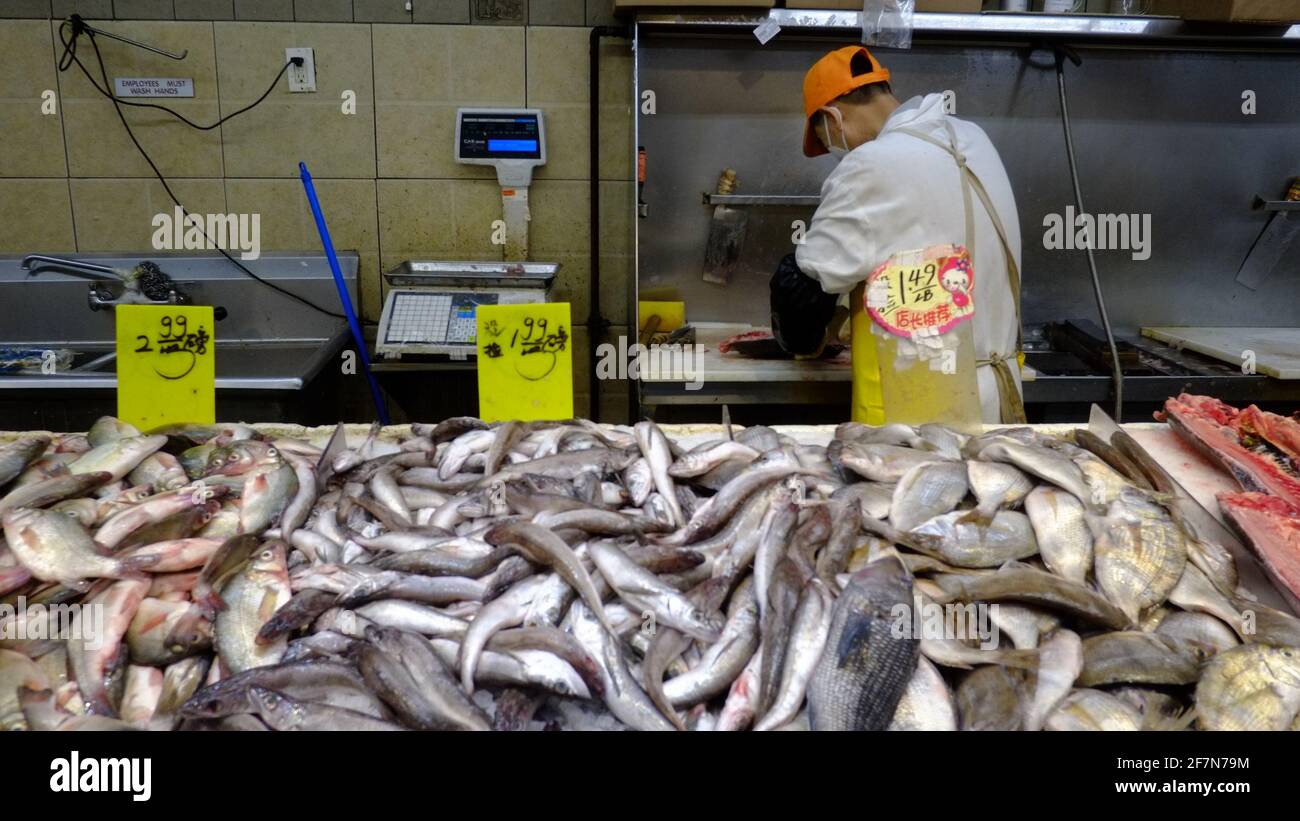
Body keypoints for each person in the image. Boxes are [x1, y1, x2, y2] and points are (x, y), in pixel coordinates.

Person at [771, 45, 1025, 424]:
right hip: (1001, 393)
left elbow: (805, 287)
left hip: (928, 410)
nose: (833, 151)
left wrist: (805, 333)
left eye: (825, 141)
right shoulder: (972, 137)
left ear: (832, 116)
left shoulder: (869, 164)